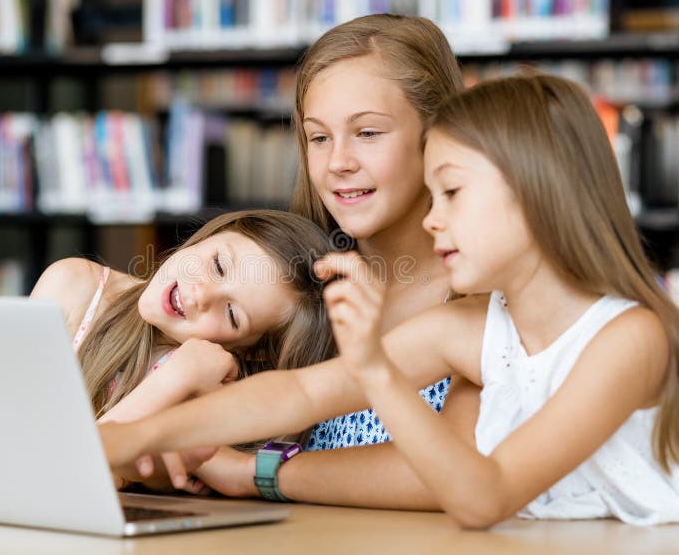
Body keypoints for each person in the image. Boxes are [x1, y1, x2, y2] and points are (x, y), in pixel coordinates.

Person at [99, 74, 679, 526]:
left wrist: (376, 371)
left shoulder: (630, 339)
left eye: (451, 192)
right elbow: (298, 392)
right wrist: (133, 437)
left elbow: (484, 496)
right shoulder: (476, 327)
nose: (432, 219)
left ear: (537, 194)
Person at [183, 13, 479, 509]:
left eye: (366, 133)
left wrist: (253, 472)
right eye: (318, 137)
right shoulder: (296, 284)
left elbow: (447, 471)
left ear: (437, 135)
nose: (338, 162)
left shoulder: (481, 292)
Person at [31, 209, 335, 492]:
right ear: (210, 234)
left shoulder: (204, 398)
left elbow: (63, 482)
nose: (201, 294)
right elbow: (15, 458)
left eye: (231, 314)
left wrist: (177, 377)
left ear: (247, 353)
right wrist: (177, 377)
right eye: (218, 265)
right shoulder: (73, 285)